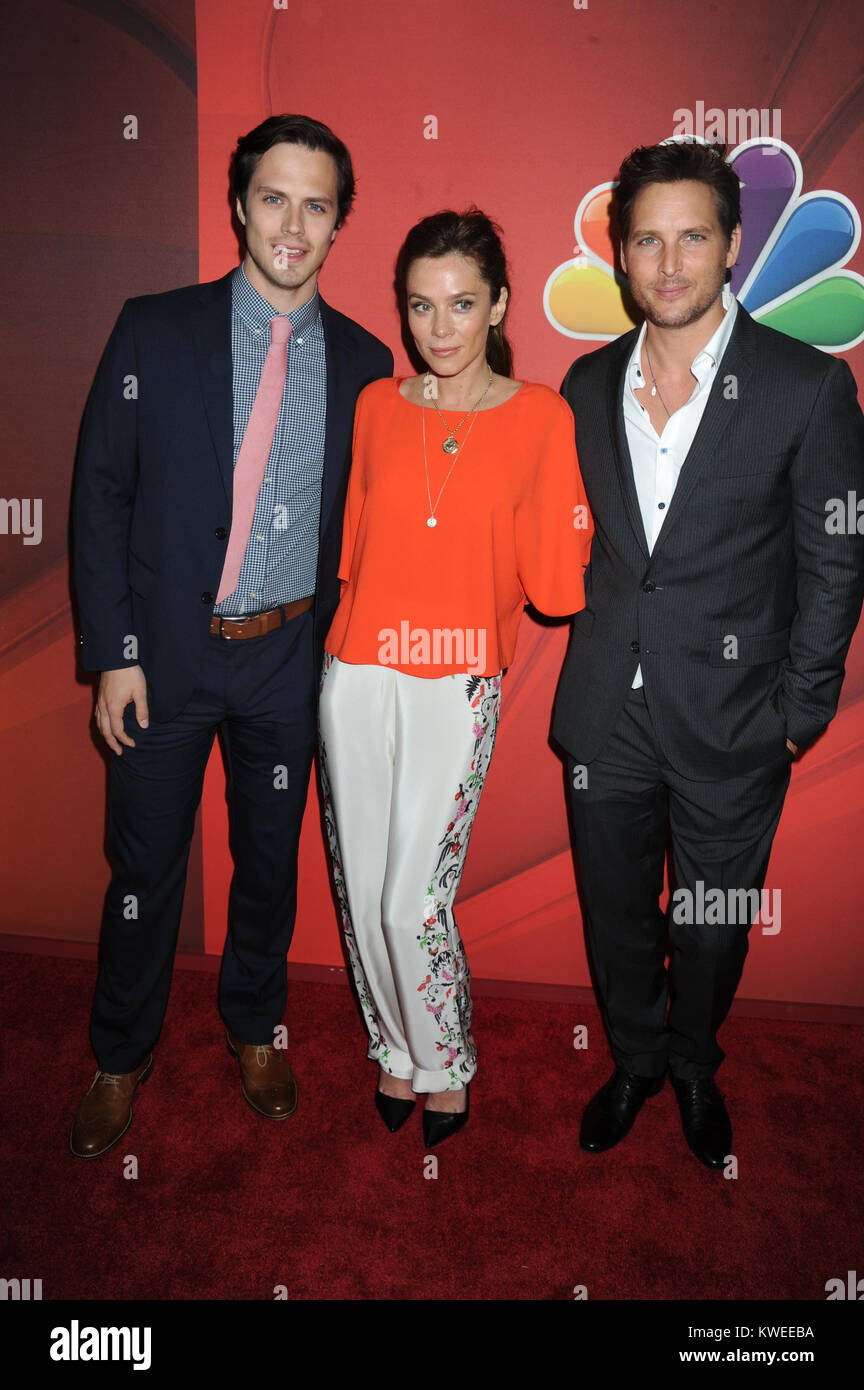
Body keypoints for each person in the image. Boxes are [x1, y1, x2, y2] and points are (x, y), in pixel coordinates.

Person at [70, 114, 393, 1158]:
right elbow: (100, 493)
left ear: (339, 221)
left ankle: (256, 1026)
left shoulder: (368, 361)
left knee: (268, 862)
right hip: (164, 656)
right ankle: (120, 1054)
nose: (292, 224)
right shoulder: (151, 331)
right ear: (238, 204)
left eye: (316, 204)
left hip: (288, 660)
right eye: (273, 197)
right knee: (145, 867)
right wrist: (114, 652)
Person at [553, 138, 864, 1169]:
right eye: (648, 238)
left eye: (694, 236)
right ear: (620, 255)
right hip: (609, 709)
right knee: (614, 911)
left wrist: (799, 712)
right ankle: (636, 1056)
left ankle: (693, 1059)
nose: (671, 262)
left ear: (733, 244)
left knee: (714, 920)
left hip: (739, 716)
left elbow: (836, 559)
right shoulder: (585, 380)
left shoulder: (807, 386)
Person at [318, 210, 593, 1147]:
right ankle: (394, 1048)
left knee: (411, 899)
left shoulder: (541, 415)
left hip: (456, 682)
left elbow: (559, 585)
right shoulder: (376, 406)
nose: (439, 328)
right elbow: (356, 555)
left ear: (500, 306)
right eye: (421, 306)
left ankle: (448, 1061)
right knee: (361, 890)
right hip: (354, 674)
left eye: (462, 304)